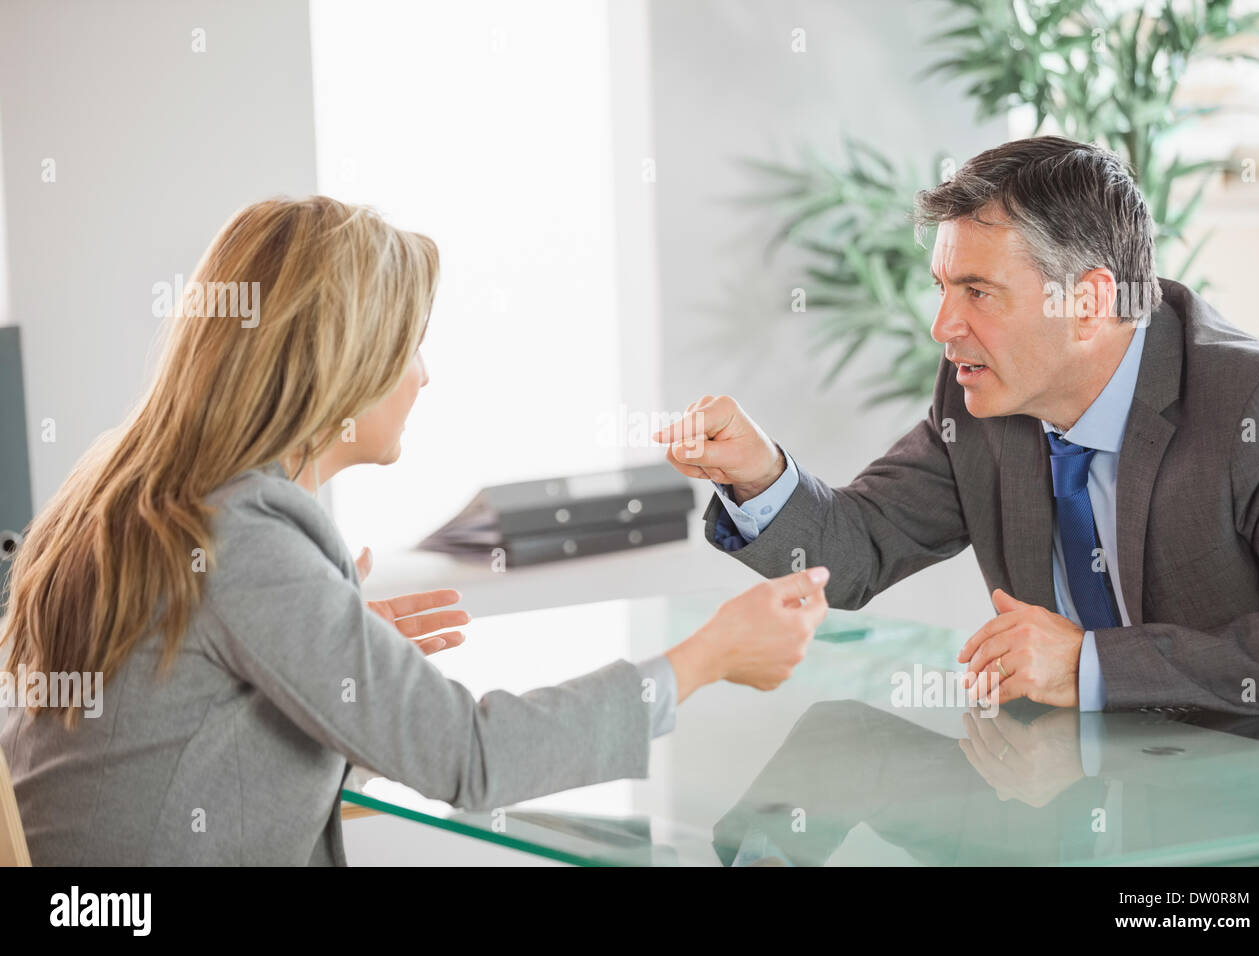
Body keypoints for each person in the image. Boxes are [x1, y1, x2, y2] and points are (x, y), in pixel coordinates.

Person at [0, 196, 829, 865]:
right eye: (408, 347)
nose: (424, 375)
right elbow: (471, 758)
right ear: (338, 363)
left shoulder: (128, 491)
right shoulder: (241, 534)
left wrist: (327, 670)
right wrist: (705, 658)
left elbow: (172, 735)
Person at [655, 135, 1259, 716]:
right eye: (943, 287)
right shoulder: (981, 397)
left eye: (978, 292)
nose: (942, 328)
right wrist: (759, 474)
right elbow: (861, 548)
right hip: (1066, 793)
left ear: (1089, 302)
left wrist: (1092, 666)